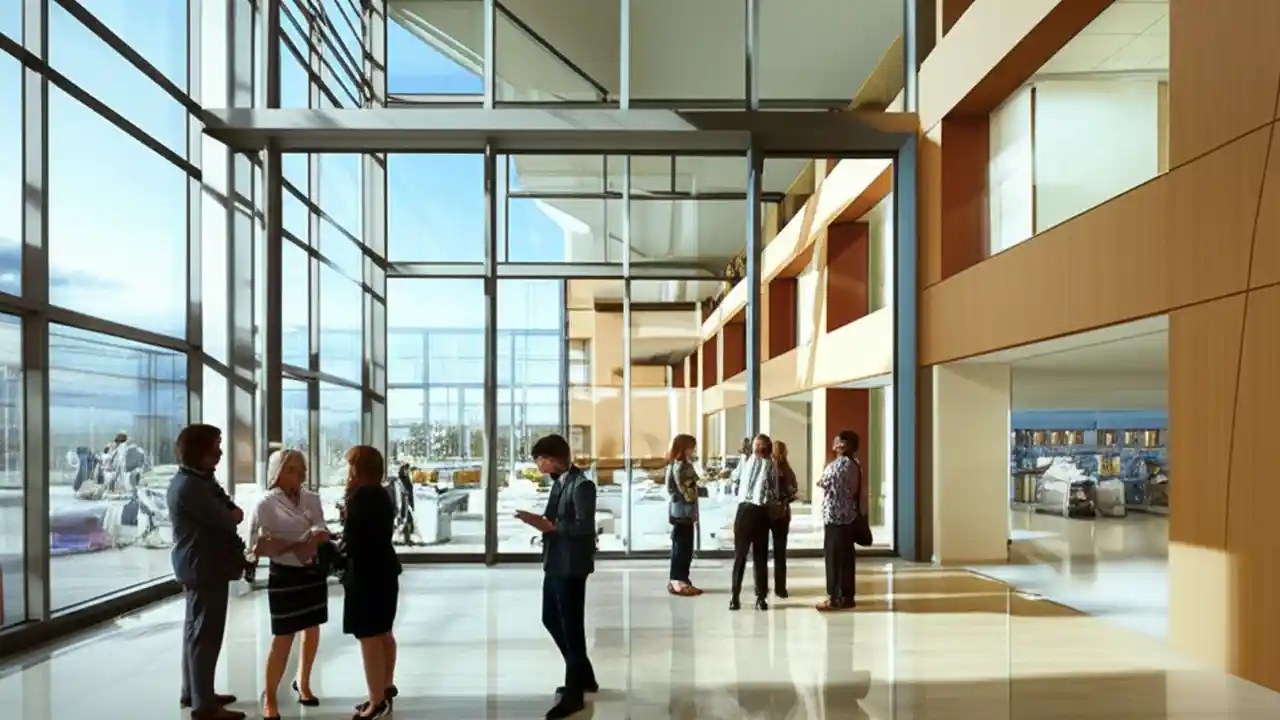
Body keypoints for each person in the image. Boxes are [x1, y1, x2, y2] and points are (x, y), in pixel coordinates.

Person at [514, 434, 599, 720]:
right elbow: (554, 518)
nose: (537, 464)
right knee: (551, 617)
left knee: (571, 625)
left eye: (539, 459)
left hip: (571, 565)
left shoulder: (582, 485)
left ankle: (574, 692)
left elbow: (584, 526)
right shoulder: (559, 483)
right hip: (556, 562)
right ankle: (583, 674)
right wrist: (540, 523)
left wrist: (550, 527)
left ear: (552, 458)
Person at [167, 424, 249, 720]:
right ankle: (204, 705)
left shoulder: (198, 481)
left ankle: (196, 691)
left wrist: (231, 512)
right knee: (206, 636)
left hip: (199, 566)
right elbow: (228, 518)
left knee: (195, 632)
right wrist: (230, 514)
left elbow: (231, 510)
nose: (219, 451)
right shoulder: (192, 486)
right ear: (200, 449)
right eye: (215, 445)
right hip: (204, 567)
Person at [249, 449, 330, 720]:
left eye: (300, 469)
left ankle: (304, 682)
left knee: (312, 628)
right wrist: (300, 540)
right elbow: (261, 542)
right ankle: (270, 697)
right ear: (277, 472)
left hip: (311, 572)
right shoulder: (265, 503)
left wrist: (302, 539)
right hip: (284, 575)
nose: (297, 474)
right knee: (283, 637)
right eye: (291, 469)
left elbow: (319, 529)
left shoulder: (312, 498)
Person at [342, 445, 402, 720]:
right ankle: (385, 687)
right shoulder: (382, 493)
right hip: (385, 570)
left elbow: (354, 541)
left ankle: (375, 700)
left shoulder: (361, 497)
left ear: (357, 469)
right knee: (384, 633)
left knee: (369, 637)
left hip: (366, 573)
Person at [728, 433, 776, 612]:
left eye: (761, 446)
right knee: (739, 556)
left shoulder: (770, 464)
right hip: (744, 509)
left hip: (761, 512)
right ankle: (735, 596)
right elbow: (734, 478)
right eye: (756, 445)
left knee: (760, 557)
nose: (758, 449)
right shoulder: (746, 461)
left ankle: (761, 596)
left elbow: (772, 486)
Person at [816, 430, 862, 611]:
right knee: (845, 558)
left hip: (836, 517)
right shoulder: (854, 464)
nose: (835, 445)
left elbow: (827, 482)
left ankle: (834, 597)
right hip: (846, 516)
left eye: (839, 442)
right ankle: (846, 596)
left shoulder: (842, 464)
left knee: (834, 558)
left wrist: (823, 481)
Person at [665, 433, 702, 597]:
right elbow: (686, 489)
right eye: (691, 447)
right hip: (683, 511)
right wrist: (695, 488)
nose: (693, 450)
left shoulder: (677, 464)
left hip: (681, 510)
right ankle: (679, 581)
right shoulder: (681, 466)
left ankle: (681, 580)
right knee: (683, 548)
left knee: (682, 546)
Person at [770, 440, 799, 599]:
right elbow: (793, 488)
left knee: (763, 553)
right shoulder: (786, 469)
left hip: (769, 513)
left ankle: (762, 588)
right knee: (780, 552)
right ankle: (780, 588)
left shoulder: (768, 467)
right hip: (782, 513)